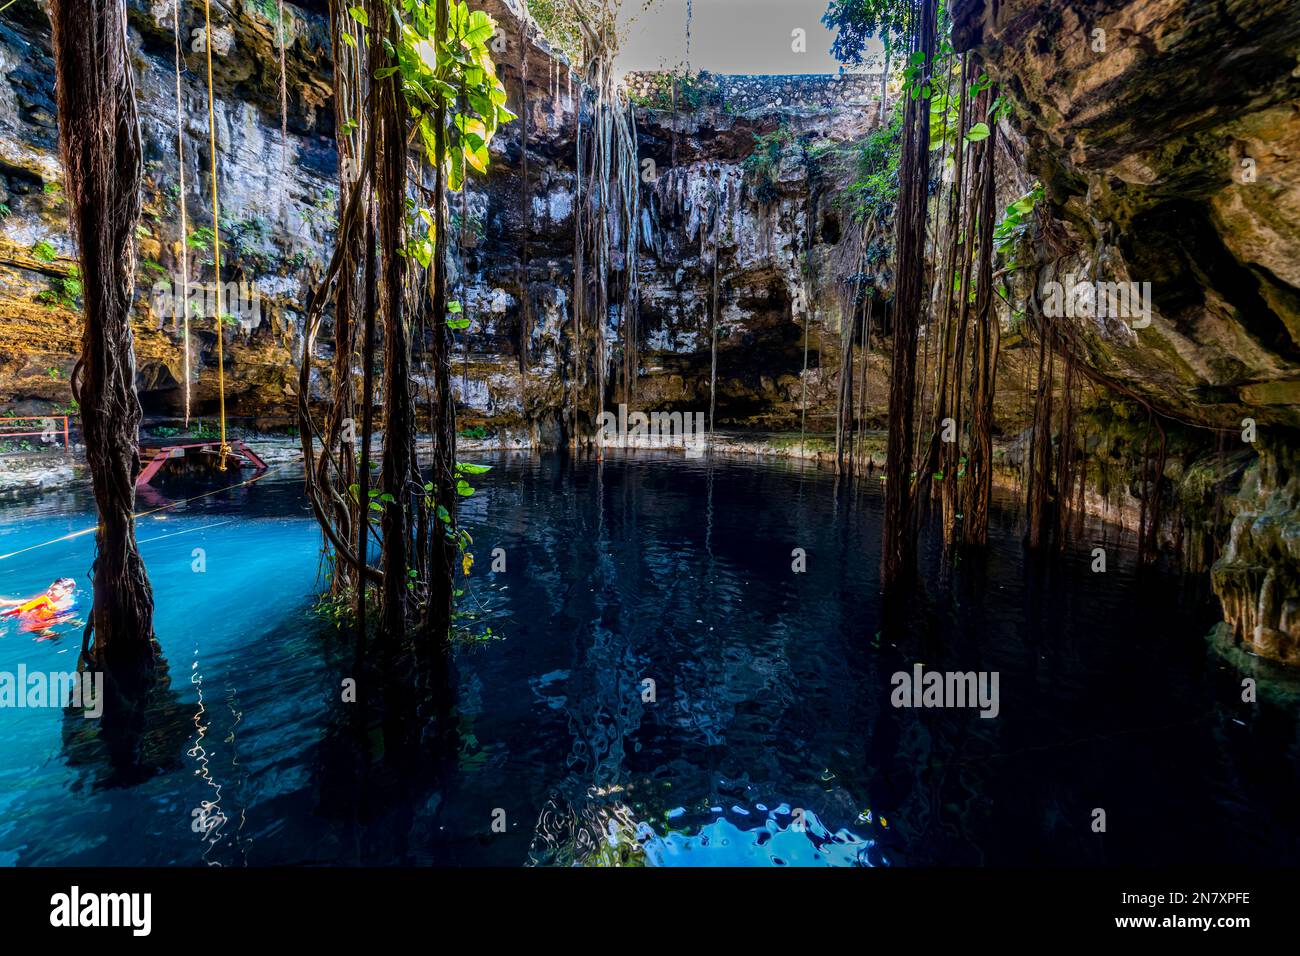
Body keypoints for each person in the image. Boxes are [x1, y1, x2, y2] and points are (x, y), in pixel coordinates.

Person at [0, 578, 79, 637]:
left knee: (29, 627)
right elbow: (32, 602)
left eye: (54, 589)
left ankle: (55, 636)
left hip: (54, 615)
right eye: (50, 589)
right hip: (60, 614)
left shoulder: (63, 604)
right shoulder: (63, 598)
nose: (49, 592)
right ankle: (69, 622)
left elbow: (31, 607)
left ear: (67, 591)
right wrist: (6, 603)